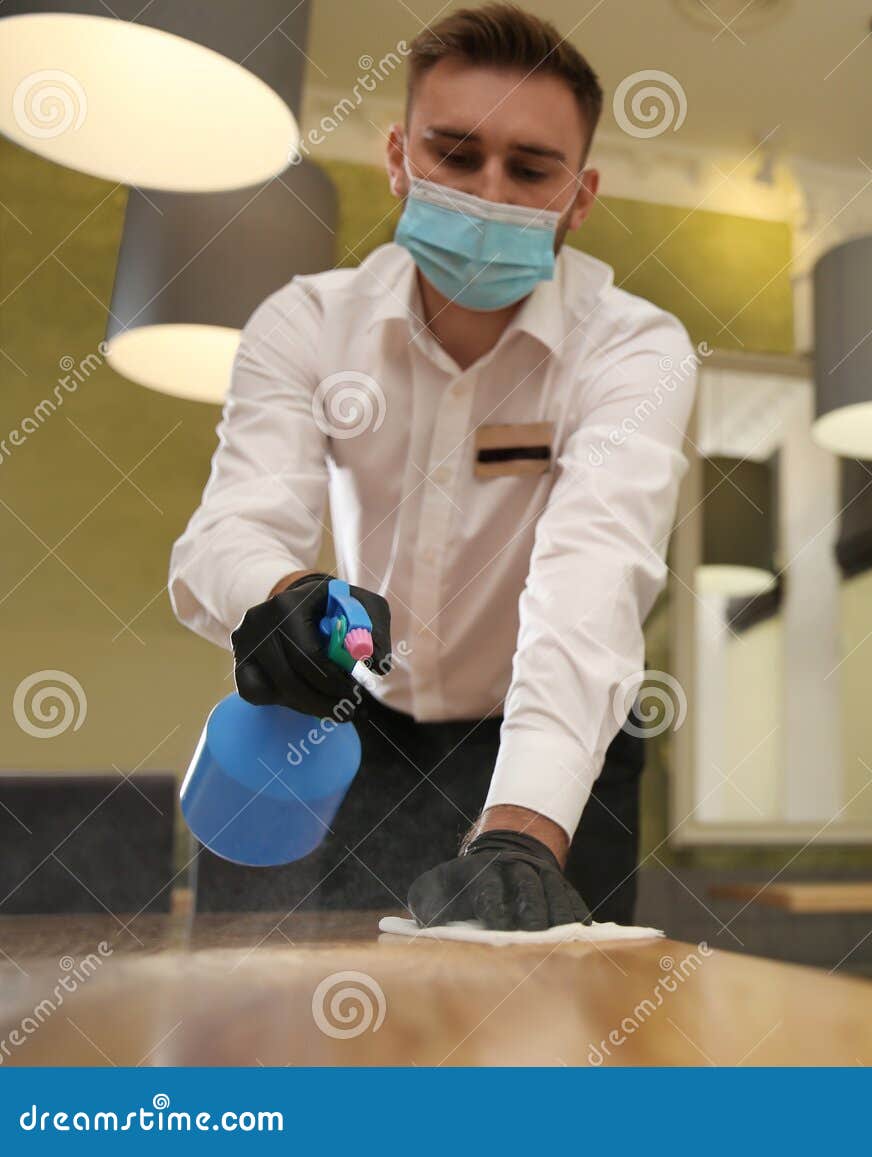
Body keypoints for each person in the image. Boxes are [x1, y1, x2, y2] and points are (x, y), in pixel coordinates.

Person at [167, 4, 696, 931]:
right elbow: (229, 529)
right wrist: (284, 592)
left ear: (580, 196)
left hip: (555, 733)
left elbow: (595, 580)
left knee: (559, 1026)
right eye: (455, 154)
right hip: (367, 726)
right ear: (399, 157)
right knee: (351, 1000)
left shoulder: (634, 351)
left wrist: (524, 831)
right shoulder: (306, 324)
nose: (490, 191)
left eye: (530, 169)